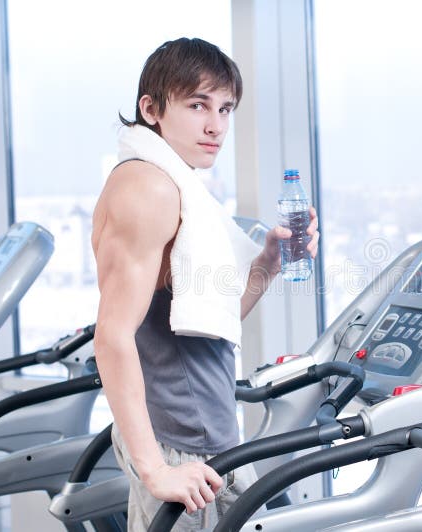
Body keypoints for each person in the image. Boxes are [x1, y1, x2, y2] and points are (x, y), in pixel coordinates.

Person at [91, 37, 319, 530]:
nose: (216, 125)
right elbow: (111, 336)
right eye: (197, 105)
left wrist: (268, 263)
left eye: (225, 108)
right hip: (182, 448)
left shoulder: (167, 183)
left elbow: (201, 320)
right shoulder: (149, 188)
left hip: (197, 436)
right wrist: (156, 469)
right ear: (151, 109)